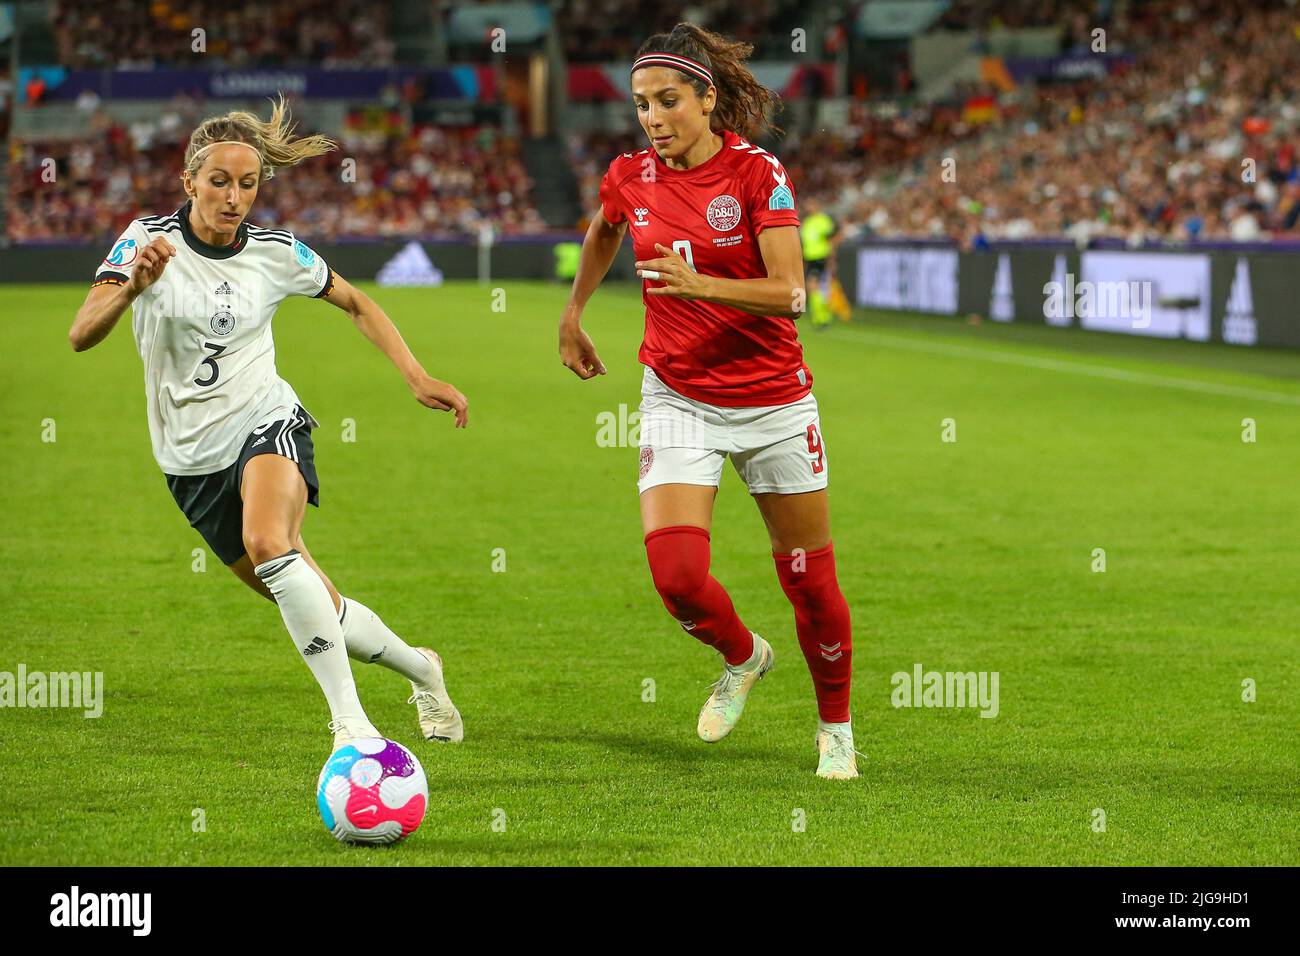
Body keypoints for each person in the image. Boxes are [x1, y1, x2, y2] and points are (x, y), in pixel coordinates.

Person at [68, 96, 466, 751]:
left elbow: (356, 301)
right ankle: (422, 668)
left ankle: (351, 728)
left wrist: (416, 375)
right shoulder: (145, 241)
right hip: (189, 462)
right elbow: (82, 335)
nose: (233, 197)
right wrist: (131, 289)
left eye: (247, 184)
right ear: (189, 181)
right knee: (312, 598)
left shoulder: (278, 253)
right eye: (219, 181)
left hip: (266, 420)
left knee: (270, 542)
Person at [558, 23, 859, 779]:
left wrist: (704, 287)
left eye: (667, 102)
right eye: (641, 105)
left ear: (707, 98)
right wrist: (574, 314)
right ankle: (744, 656)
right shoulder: (630, 175)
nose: (653, 119)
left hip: (774, 402)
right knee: (678, 578)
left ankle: (836, 730)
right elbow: (603, 231)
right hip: (678, 395)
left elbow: (792, 292)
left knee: (809, 581)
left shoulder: (758, 175)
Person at [799, 194, 838, 330]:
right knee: (814, 289)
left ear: (817, 205)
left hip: (820, 257)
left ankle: (823, 317)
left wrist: (831, 259)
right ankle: (821, 316)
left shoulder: (823, 221)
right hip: (809, 258)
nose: (808, 207)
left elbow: (831, 240)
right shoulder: (807, 222)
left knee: (813, 286)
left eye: (811, 204)